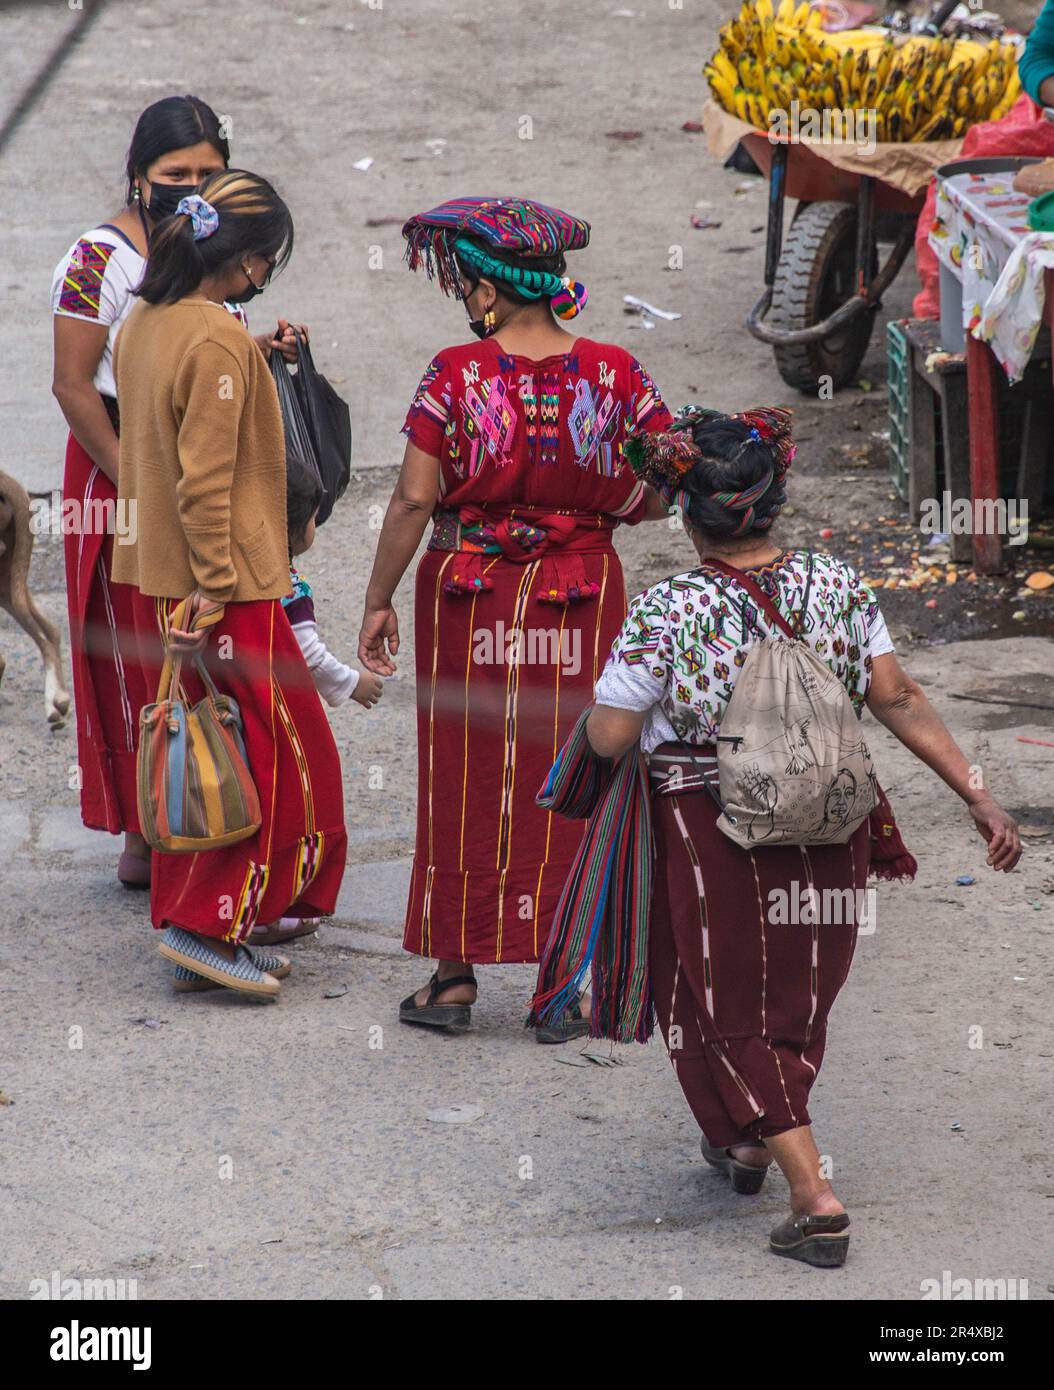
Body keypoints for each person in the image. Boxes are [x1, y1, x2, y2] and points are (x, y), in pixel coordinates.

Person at [584, 406, 1021, 1265]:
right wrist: (977, 793)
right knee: (796, 994)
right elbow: (894, 699)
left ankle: (814, 1196)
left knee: (729, 1003)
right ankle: (749, 1140)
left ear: (687, 511)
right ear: (775, 497)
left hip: (717, 831)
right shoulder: (837, 583)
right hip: (830, 822)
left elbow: (606, 737)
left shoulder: (669, 607)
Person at [357, 196, 672, 1037]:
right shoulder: (617, 374)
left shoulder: (454, 375)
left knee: (464, 768)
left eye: (468, 284)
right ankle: (562, 984)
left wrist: (378, 598)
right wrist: (592, 499)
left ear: (491, 293)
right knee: (577, 760)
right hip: (583, 594)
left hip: (470, 593)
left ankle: (455, 977)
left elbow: (414, 498)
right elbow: (659, 491)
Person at [51, 94, 306, 890]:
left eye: (208, 171)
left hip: (182, 449)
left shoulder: (206, 249)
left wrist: (252, 344)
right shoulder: (97, 259)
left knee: (187, 648)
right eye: (175, 173)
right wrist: (140, 479)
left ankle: (198, 812)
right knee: (135, 649)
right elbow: (71, 384)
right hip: (119, 459)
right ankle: (148, 829)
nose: (191, 186)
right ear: (138, 176)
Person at [112, 170, 347, 998]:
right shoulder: (213, 340)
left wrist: (250, 359)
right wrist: (214, 587)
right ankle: (204, 925)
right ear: (247, 263)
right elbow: (204, 484)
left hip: (154, 577)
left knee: (202, 750)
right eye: (267, 261)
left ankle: (218, 918)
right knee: (262, 760)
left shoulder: (150, 319)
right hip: (219, 589)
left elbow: (181, 404)